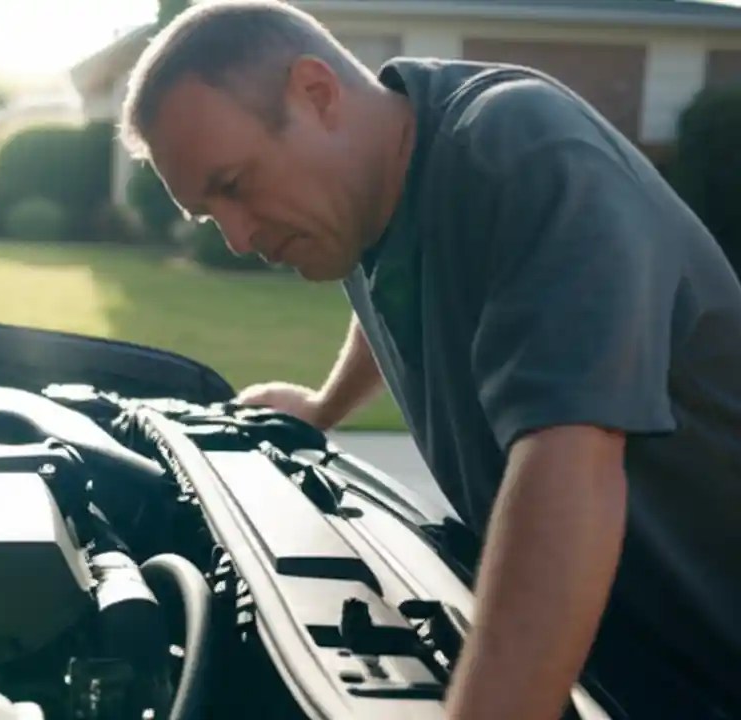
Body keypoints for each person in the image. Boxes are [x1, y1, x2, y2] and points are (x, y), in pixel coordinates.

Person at [118, 1, 741, 718]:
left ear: (316, 93)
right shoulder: (364, 200)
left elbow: (569, 463)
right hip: (623, 663)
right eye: (208, 213)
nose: (234, 236)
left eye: (233, 185)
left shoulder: (522, 151)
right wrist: (326, 405)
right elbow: (389, 288)